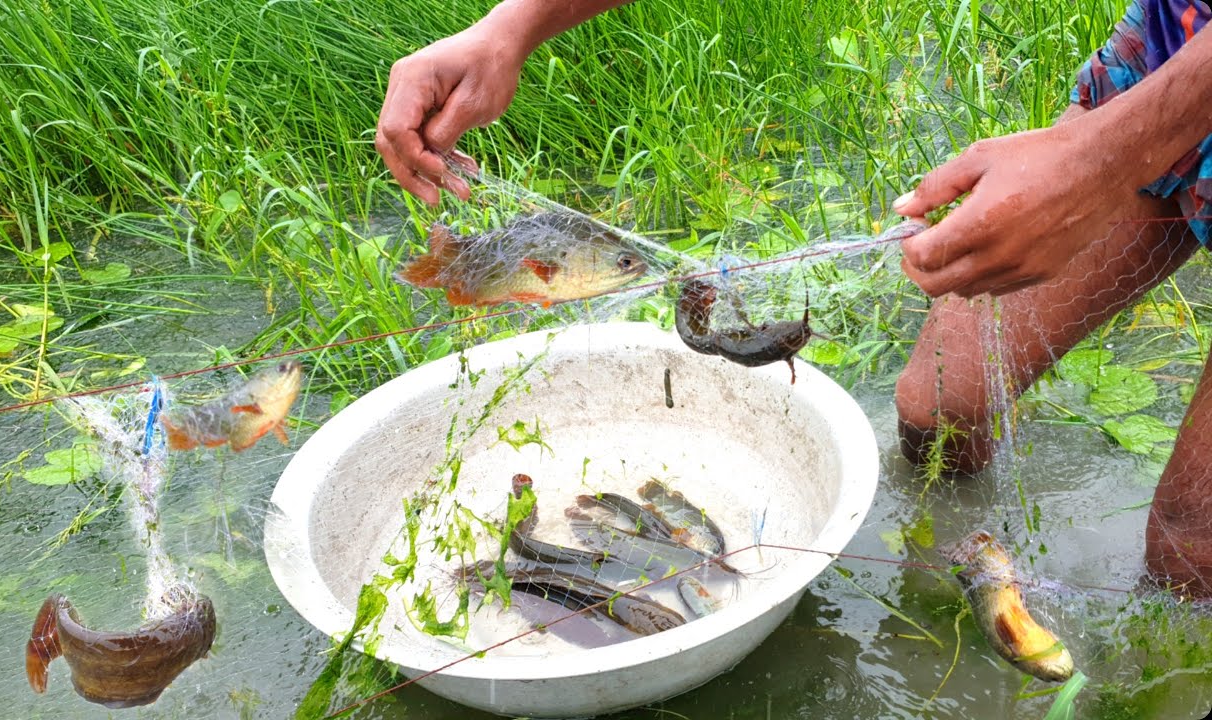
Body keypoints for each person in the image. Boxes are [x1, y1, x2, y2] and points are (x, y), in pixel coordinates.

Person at [375, 0, 1212, 595]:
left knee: (1190, 546)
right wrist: (510, 27)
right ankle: (950, 577)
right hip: (1175, 49)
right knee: (936, 406)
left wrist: (1101, 161)